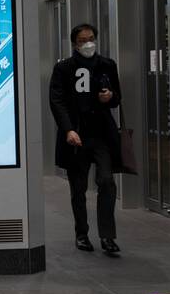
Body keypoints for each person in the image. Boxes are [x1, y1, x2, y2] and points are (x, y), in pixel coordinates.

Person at [49, 23, 123, 256]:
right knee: (78, 188)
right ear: (74, 43)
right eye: (82, 40)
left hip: (101, 135)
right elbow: (57, 100)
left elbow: (117, 98)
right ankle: (81, 233)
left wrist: (110, 97)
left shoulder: (107, 65)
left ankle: (108, 236)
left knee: (107, 182)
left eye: (91, 38)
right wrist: (68, 129)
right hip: (76, 137)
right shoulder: (64, 68)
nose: (88, 43)